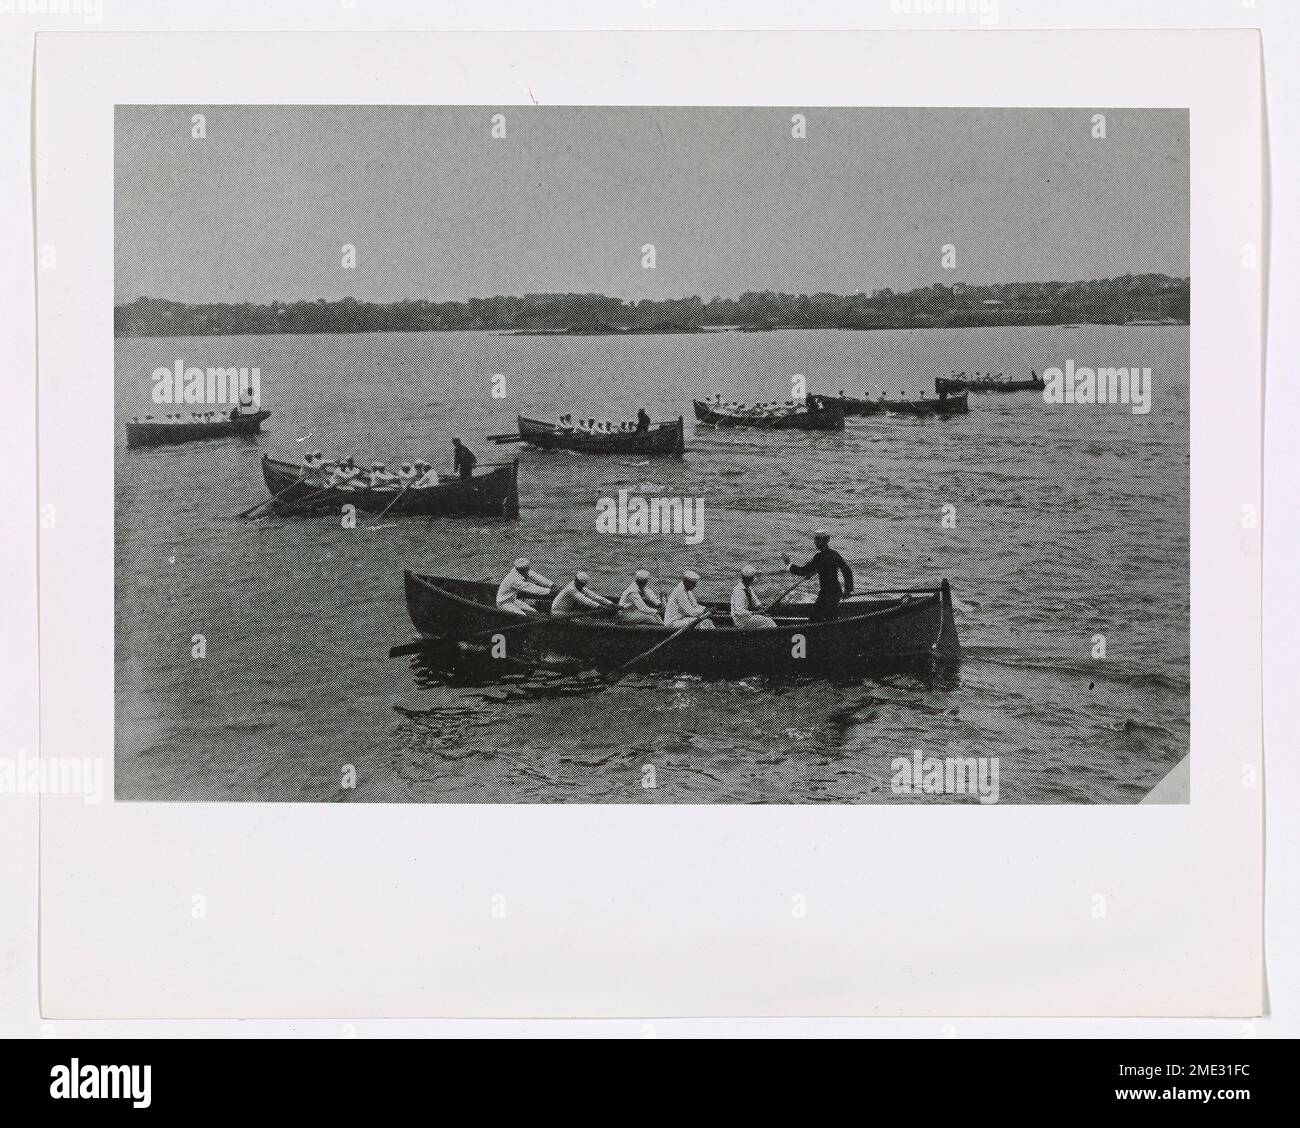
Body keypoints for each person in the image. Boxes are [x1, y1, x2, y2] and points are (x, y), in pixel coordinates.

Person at [781, 530, 854, 621]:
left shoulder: (819, 557)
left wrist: (789, 564)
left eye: (818, 540)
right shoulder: (834, 554)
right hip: (836, 592)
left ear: (825, 541)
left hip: (826, 594)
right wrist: (848, 590)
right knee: (830, 617)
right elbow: (847, 571)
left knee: (814, 619)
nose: (815, 542)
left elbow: (803, 571)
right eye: (815, 539)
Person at [731, 564, 777, 629]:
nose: (754, 579)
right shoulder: (739, 591)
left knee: (768, 618)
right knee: (769, 622)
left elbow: (756, 603)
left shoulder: (748, 588)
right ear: (750, 579)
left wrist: (763, 607)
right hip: (741, 621)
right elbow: (739, 611)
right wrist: (756, 613)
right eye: (753, 577)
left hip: (748, 617)